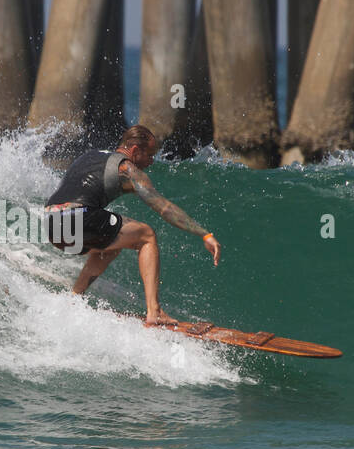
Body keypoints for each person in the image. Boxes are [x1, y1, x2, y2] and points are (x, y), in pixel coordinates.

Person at [43, 125, 221, 326]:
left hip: (52, 223)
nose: (152, 161)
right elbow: (164, 208)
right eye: (150, 155)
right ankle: (155, 312)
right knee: (146, 235)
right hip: (79, 217)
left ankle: (74, 298)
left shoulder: (90, 155)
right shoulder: (128, 170)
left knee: (110, 247)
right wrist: (204, 234)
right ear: (136, 151)